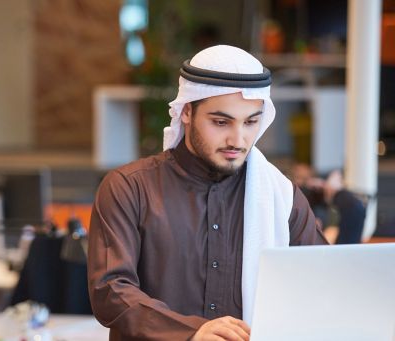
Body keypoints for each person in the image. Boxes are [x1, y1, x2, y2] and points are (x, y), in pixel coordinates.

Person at [87, 45, 327, 341]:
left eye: (251, 122)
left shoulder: (281, 197)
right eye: (221, 122)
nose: (237, 139)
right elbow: (111, 290)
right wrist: (190, 332)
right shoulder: (130, 188)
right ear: (187, 111)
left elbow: (320, 283)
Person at [291, 163, 366, 244]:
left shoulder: (314, 197)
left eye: (305, 179)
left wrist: (327, 189)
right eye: (298, 177)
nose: (300, 182)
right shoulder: (294, 199)